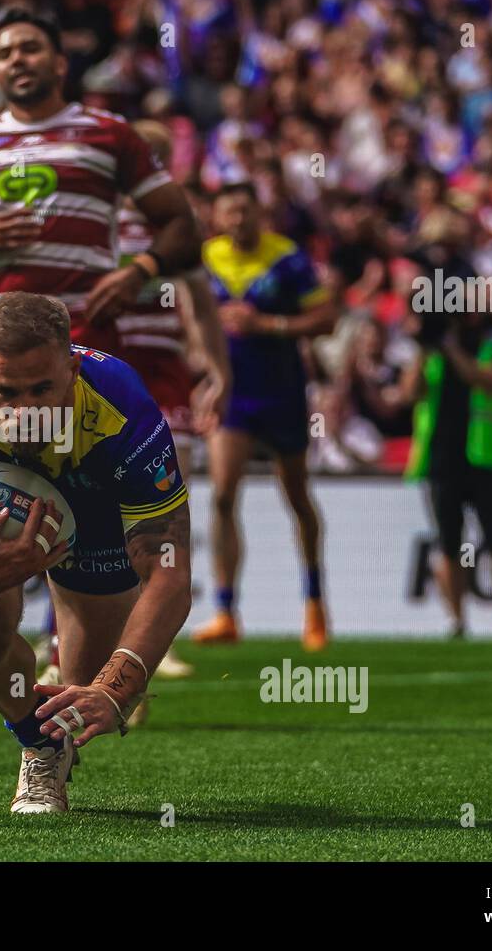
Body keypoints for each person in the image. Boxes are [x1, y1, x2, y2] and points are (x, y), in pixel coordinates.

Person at [0, 5, 202, 682]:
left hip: (86, 362)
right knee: (17, 508)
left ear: (59, 61)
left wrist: (138, 271)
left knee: (94, 523)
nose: (18, 59)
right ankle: (26, 643)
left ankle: (93, 656)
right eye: (6, 51)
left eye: (31, 48)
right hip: (4, 373)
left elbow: (181, 227)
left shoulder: (109, 135)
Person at [0, 292, 191, 813]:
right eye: (6, 392)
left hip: (93, 505)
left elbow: (168, 572)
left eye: (41, 389)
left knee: (84, 696)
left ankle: (64, 705)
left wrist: (117, 686)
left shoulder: (125, 412)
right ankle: (38, 745)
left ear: (73, 367)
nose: (25, 412)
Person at [192, 183, 337, 650]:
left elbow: (326, 319)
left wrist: (268, 325)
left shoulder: (287, 259)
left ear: (259, 214)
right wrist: (206, 370)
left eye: (245, 210)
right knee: (221, 494)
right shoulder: (205, 258)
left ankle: (314, 602)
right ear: (217, 218)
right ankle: (225, 610)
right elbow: (193, 322)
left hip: (282, 391)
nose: (237, 219)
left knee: (295, 493)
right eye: (229, 211)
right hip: (233, 394)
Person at [403, 274, 492, 639]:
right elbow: (411, 391)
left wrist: (451, 346)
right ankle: (456, 621)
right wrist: (424, 347)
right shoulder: (431, 353)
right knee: (448, 543)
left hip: (482, 459)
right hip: (440, 460)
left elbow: (488, 380)